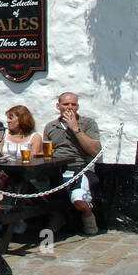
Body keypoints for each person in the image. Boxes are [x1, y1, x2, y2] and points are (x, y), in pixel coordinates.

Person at [42, 92, 102, 235]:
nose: (70, 107)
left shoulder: (88, 123)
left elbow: (95, 151)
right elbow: (46, 151)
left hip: (79, 167)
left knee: (78, 198)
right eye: (66, 104)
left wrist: (75, 128)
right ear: (58, 106)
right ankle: (58, 217)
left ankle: (88, 215)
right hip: (56, 167)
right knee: (36, 189)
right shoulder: (51, 126)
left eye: (73, 104)